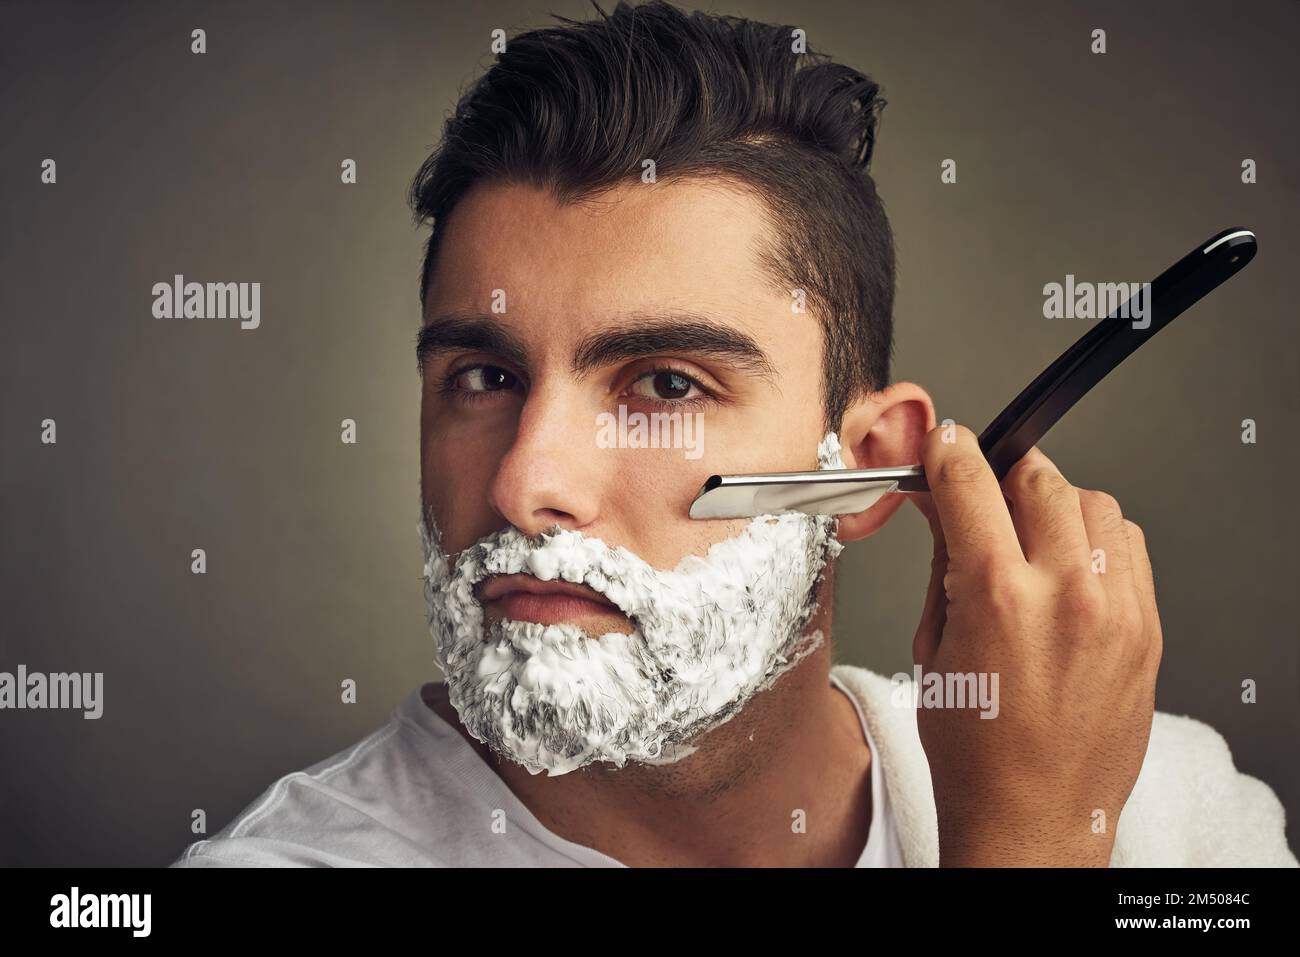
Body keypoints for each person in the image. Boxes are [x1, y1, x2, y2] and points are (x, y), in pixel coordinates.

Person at [173, 0, 1295, 868]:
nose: (527, 483)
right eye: (482, 375)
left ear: (860, 470)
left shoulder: (1162, 814)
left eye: (663, 383)